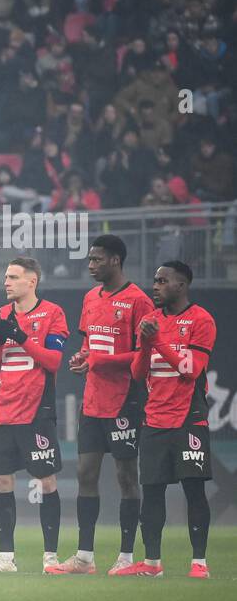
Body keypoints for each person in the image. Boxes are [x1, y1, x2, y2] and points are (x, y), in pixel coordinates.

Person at [54, 235, 154, 574]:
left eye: (97, 259)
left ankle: (126, 556)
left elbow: (144, 354)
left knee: (127, 476)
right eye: (90, 260)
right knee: (85, 472)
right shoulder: (90, 298)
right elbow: (89, 343)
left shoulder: (138, 301)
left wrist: (98, 360)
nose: (91, 265)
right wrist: (83, 358)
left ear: (115, 260)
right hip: (92, 400)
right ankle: (85, 556)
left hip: (125, 399)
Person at [117, 262, 216, 578]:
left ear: (182, 284)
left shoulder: (202, 320)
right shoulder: (148, 321)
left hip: (189, 418)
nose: (155, 286)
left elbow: (190, 369)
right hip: (154, 419)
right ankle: (152, 564)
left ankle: (199, 563)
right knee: (153, 491)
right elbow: (136, 373)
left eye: (163, 281)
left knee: (194, 490)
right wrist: (146, 344)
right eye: (155, 280)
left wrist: (157, 341)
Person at [0, 257, 69, 573]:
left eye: (13, 277)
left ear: (32, 281)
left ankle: (51, 558)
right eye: (5, 276)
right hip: (3, 409)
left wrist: (20, 336)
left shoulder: (52, 314)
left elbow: (53, 361)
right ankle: (5, 557)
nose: (6, 282)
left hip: (36, 410)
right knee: (1, 481)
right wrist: (1, 339)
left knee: (46, 481)